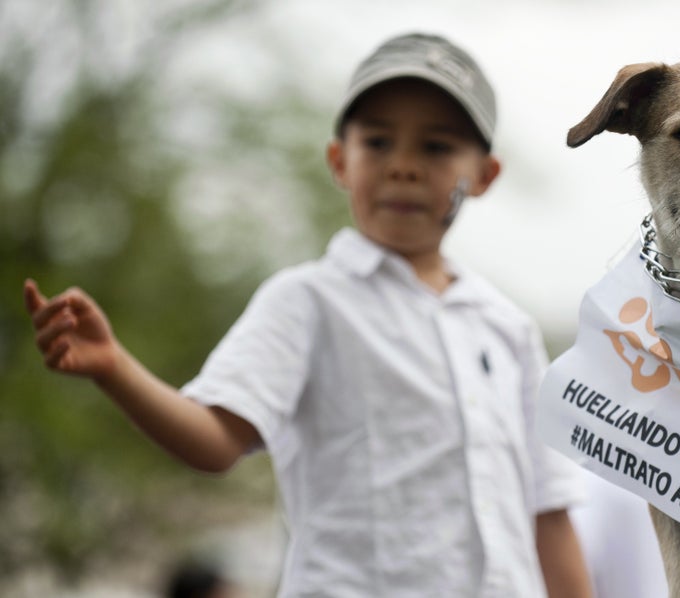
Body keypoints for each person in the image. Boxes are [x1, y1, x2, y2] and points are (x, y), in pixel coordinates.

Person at [24, 32, 591, 598]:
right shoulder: (308, 302)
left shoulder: (507, 328)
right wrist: (113, 367)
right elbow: (215, 439)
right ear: (340, 161)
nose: (404, 167)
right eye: (379, 142)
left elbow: (548, 513)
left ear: (485, 175)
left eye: (436, 147)